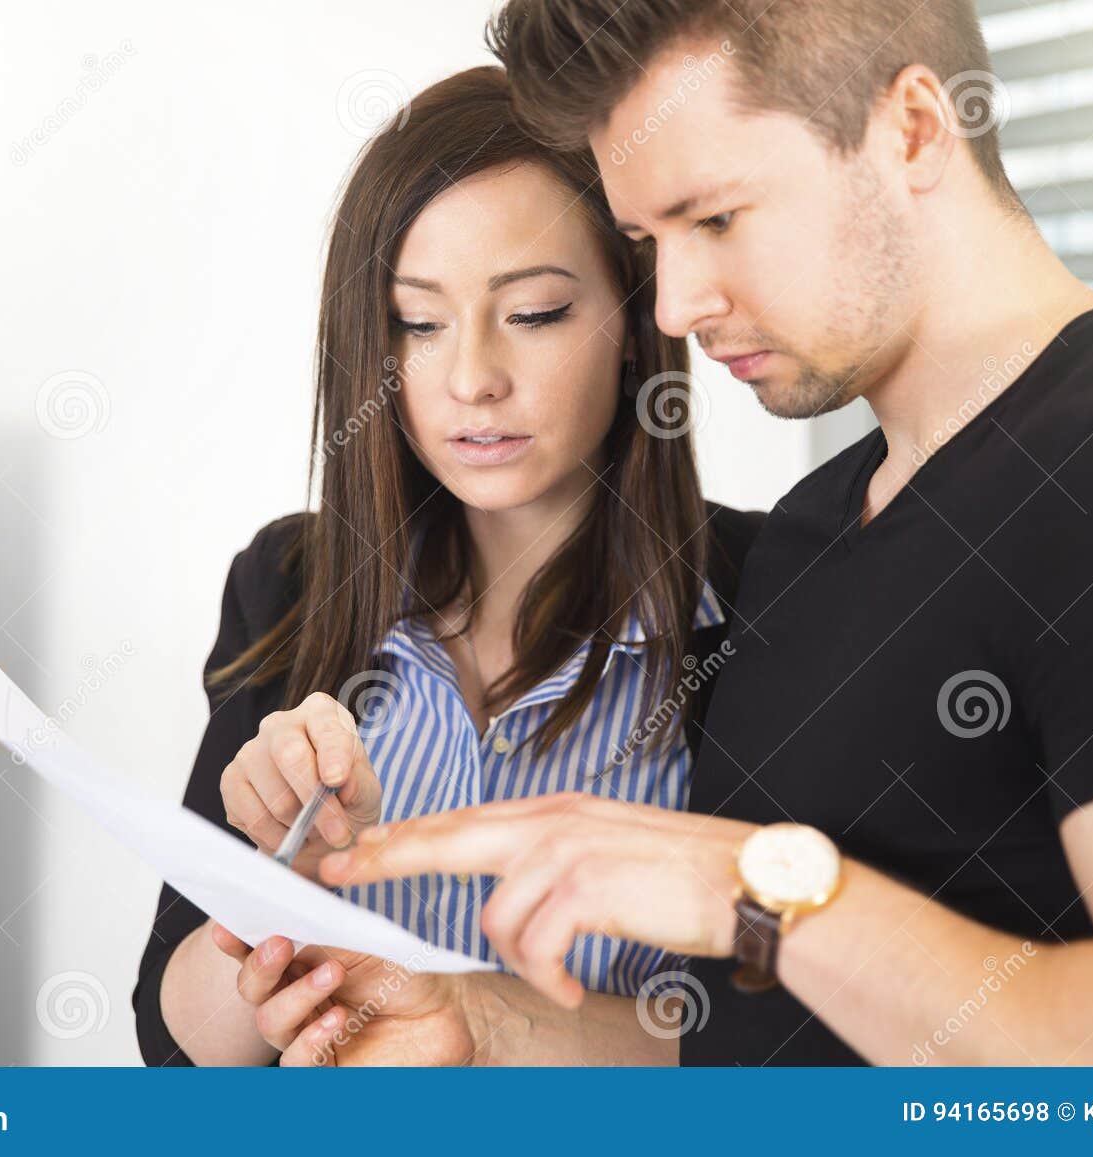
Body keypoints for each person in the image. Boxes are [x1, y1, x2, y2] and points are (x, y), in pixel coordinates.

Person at [307, 0, 1093, 1067]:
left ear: (915, 130)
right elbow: (771, 1046)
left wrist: (754, 885)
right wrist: (478, 1020)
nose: (676, 304)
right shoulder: (810, 533)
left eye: (716, 219)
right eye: (652, 240)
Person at [130, 65, 763, 1066]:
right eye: (418, 325)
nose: (472, 378)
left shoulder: (771, 592)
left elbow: (797, 1049)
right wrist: (279, 871)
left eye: (537, 312)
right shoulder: (292, 580)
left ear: (636, 322)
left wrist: (484, 1019)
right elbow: (178, 1043)